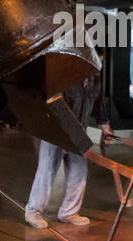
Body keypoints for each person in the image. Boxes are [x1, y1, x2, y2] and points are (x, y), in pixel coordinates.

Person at [24, 69, 111, 229]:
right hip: (55, 132)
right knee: (47, 171)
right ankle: (33, 211)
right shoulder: (66, 77)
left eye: (99, 63)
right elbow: (57, 106)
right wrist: (70, 135)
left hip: (79, 132)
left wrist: (105, 127)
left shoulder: (95, 80)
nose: (96, 67)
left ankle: (69, 212)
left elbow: (99, 106)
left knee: (79, 172)